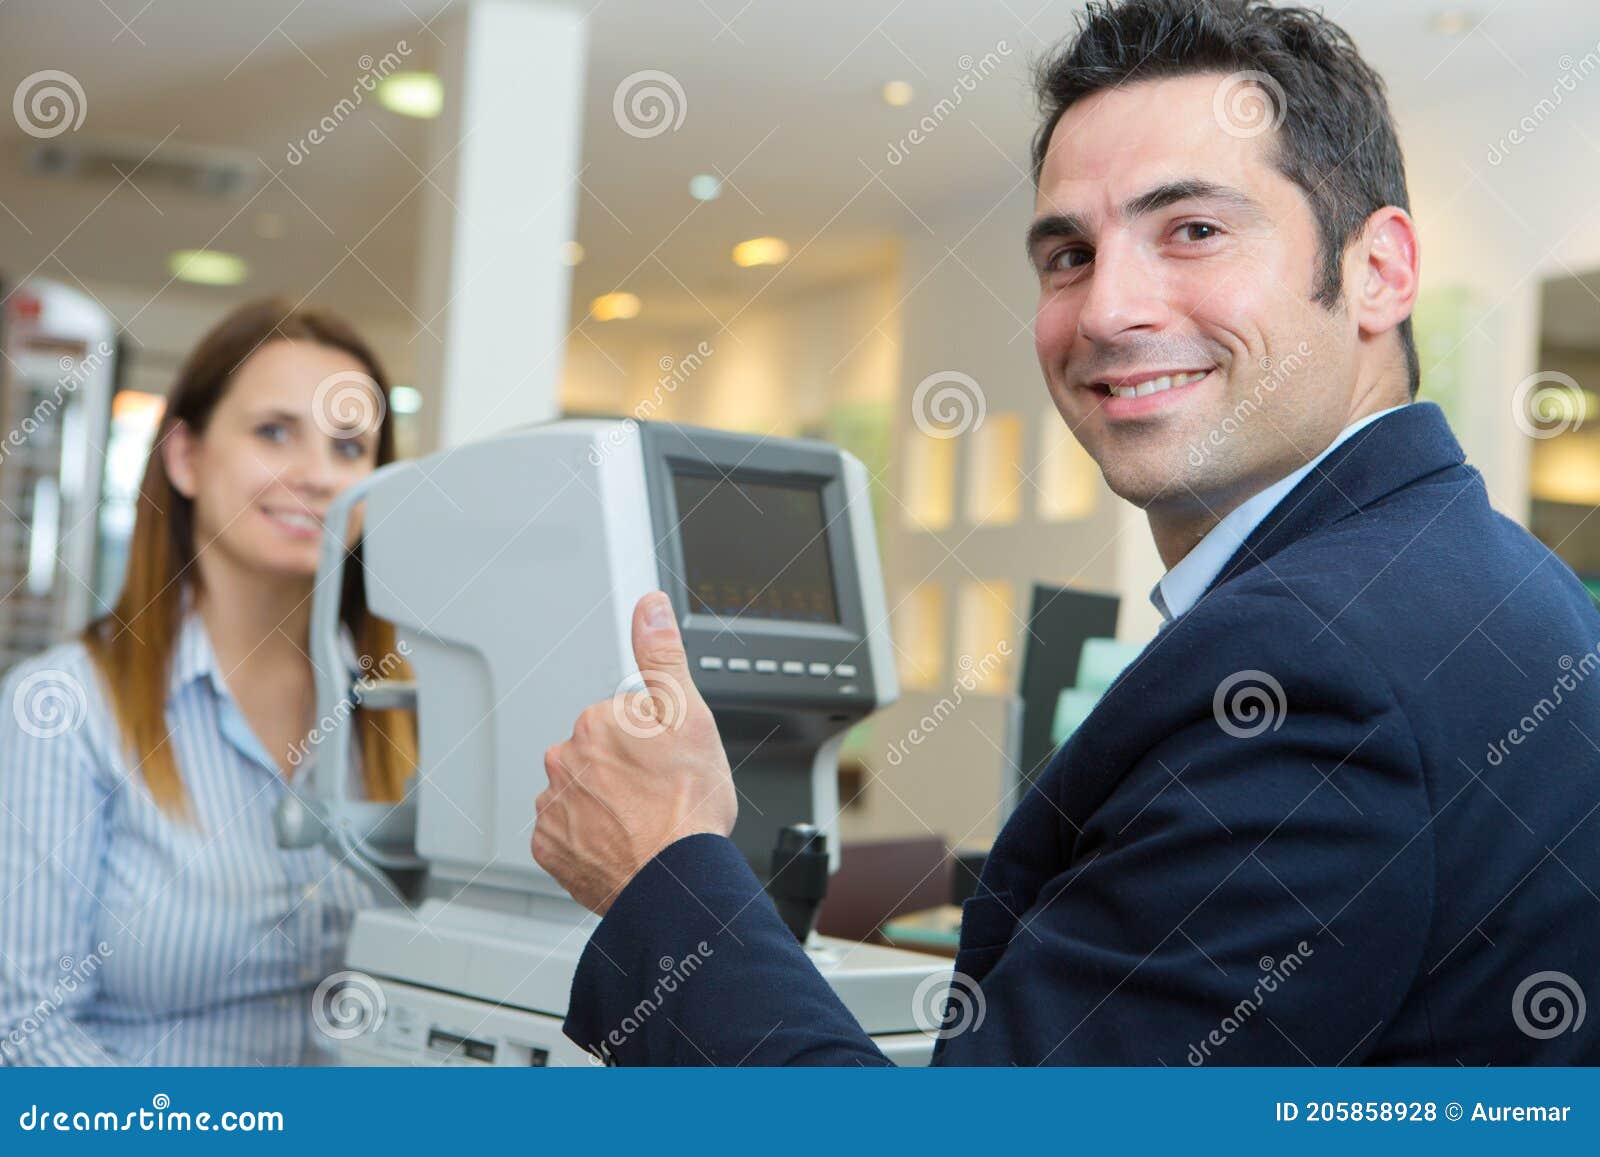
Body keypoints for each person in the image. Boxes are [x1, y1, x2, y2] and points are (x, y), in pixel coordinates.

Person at [531, 0, 1600, 1064]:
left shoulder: (1317, 670)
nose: (1104, 310)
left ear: (1378, 271)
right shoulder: (1494, 581)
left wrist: (661, 866)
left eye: (1192, 230)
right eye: (1068, 254)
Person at [0, 298, 416, 1065]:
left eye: (350, 446)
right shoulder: (64, 709)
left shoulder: (400, 707)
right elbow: (25, 1031)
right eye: (274, 432)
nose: (319, 475)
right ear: (185, 456)